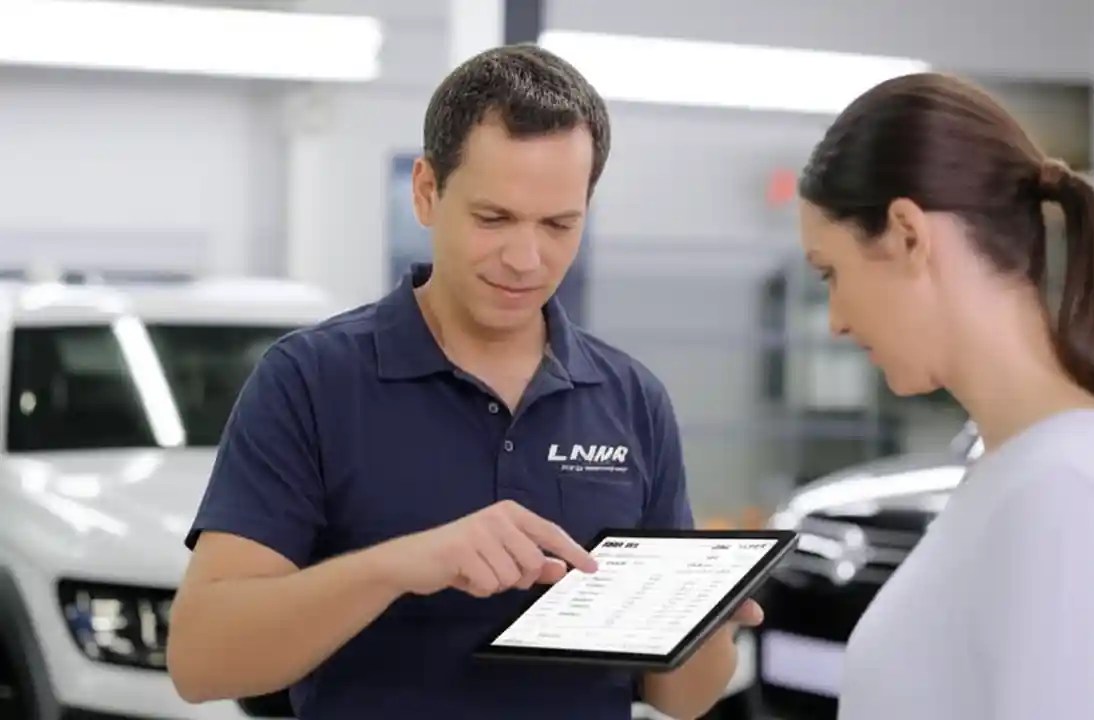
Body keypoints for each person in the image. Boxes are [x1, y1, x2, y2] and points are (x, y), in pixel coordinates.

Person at [166, 44, 758, 720]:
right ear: (426, 191)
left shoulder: (630, 400)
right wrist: (399, 566)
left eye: (558, 225)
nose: (525, 258)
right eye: (493, 218)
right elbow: (201, 659)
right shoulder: (309, 382)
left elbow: (678, 696)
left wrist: (708, 625)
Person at [796, 72, 1094, 719]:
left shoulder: (1067, 483)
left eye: (831, 273)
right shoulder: (1023, 465)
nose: (836, 318)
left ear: (907, 234)